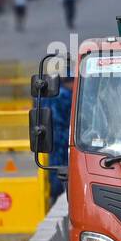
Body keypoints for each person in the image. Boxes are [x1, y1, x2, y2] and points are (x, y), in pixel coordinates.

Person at [46, 76, 73, 204]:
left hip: (50, 141)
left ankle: (53, 196)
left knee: (53, 172)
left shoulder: (49, 94)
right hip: (63, 141)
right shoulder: (66, 96)